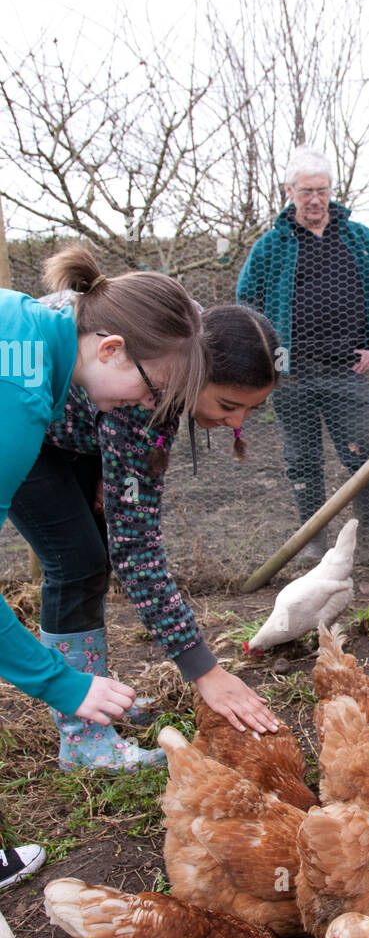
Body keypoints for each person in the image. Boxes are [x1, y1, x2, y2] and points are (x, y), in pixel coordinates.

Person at [9, 303, 283, 773]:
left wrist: (110, 463)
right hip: (31, 438)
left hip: (83, 435)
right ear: (193, 375)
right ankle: (83, 735)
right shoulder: (146, 393)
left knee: (90, 561)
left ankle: (94, 693)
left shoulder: (168, 362)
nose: (237, 424)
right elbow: (137, 550)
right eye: (228, 405)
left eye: (252, 409)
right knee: (76, 564)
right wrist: (204, 670)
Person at [0, 244, 204, 789]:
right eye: (153, 388)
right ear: (111, 349)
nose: (147, 406)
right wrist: (61, 686)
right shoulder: (20, 400)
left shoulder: (27, 328)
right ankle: (82, 732)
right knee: (78, 563)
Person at [236, 146, 369, 569]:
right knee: (301, 459)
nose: (315, 199)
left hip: (345, 371)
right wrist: (267, 355)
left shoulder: (360, 239)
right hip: (291, 375)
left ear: (331, 190)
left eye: (322, 190)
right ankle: (312, 542)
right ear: (289, 192)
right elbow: (246, 302)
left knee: (368, 455)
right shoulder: (271, 247)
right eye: (306, 192)